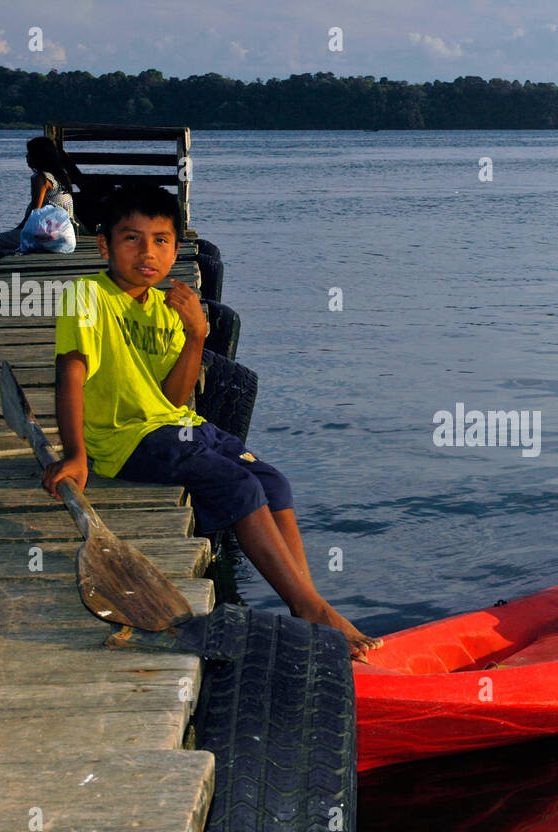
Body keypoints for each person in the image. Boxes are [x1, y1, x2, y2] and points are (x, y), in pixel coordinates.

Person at [40, 184, 380, 660]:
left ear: (176, 248)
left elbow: (172, 397)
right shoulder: (87, 296)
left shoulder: (167, 307)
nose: (147, 253)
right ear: (104, 245)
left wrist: (197, 333)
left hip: (177, 424)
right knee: (236, 486)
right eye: (131, 239)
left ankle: (307, 602)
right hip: (125, 439)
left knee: (272, 483)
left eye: (161, 240)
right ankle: (313, 610)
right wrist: (76, 453)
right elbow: (70, 373)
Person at [0, 136, 81, 257]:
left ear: (39, 156)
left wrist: (18, 229)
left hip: (48, 236)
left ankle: (14, 262)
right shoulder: (61, 177)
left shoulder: (41, 178)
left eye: (30, 153)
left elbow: (35, 212)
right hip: (66, 237)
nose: (27, 156)